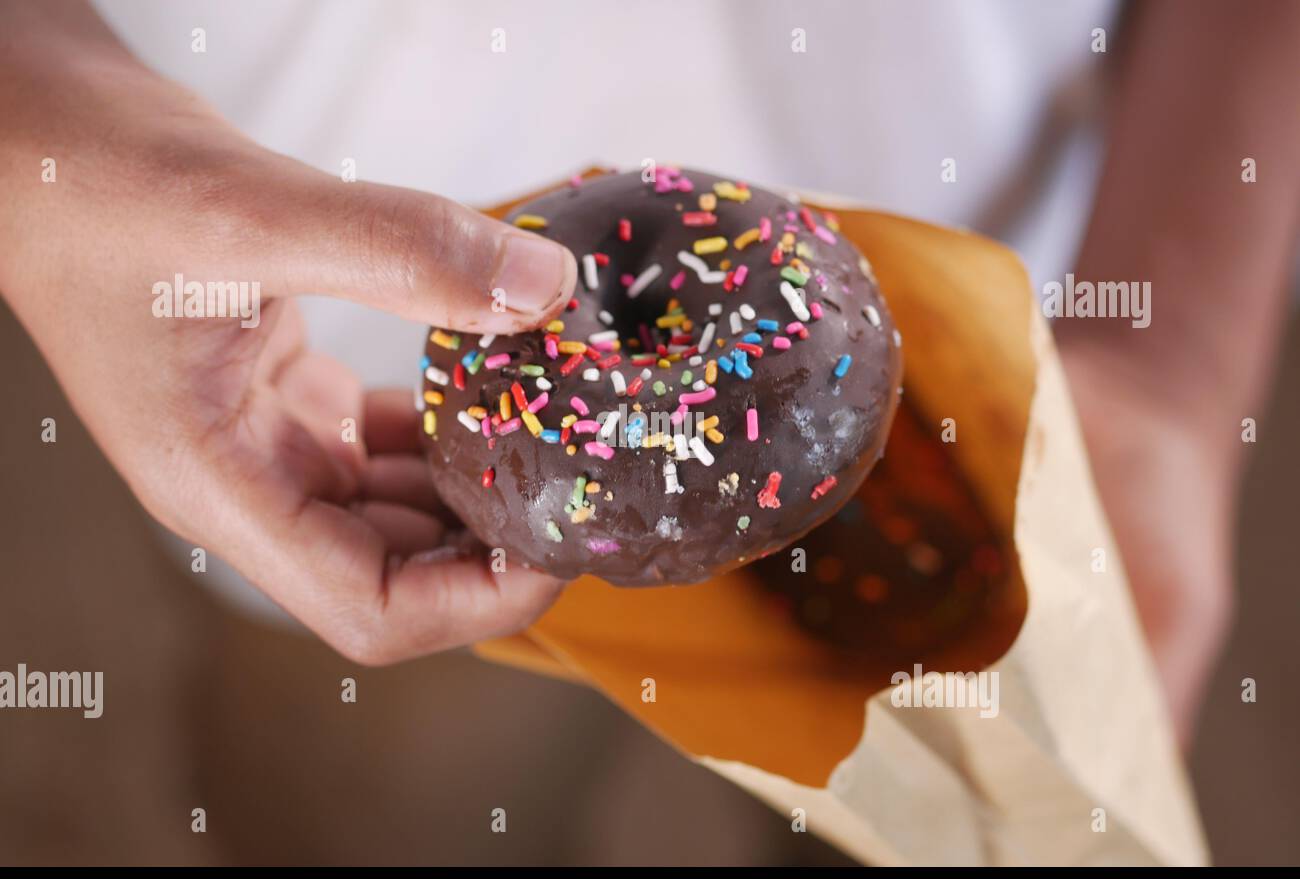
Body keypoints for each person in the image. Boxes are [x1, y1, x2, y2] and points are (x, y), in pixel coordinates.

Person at [2, 0, 1296, 745]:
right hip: (324, 427)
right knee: (373, 802)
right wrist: (42, 145)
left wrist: (1166, 368)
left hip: (978, 415)